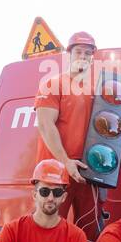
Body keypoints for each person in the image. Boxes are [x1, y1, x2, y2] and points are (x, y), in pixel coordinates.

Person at [33, 30, 97, 229]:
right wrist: (66, 162)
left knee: (88, 230)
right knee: (47, 229)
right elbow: (45, 125)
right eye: (79, 51)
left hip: (85, 170)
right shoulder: (52, 84)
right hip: (54, 171)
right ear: (69, 55)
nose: (83, 57)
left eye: (88, 53)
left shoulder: (94, 89)